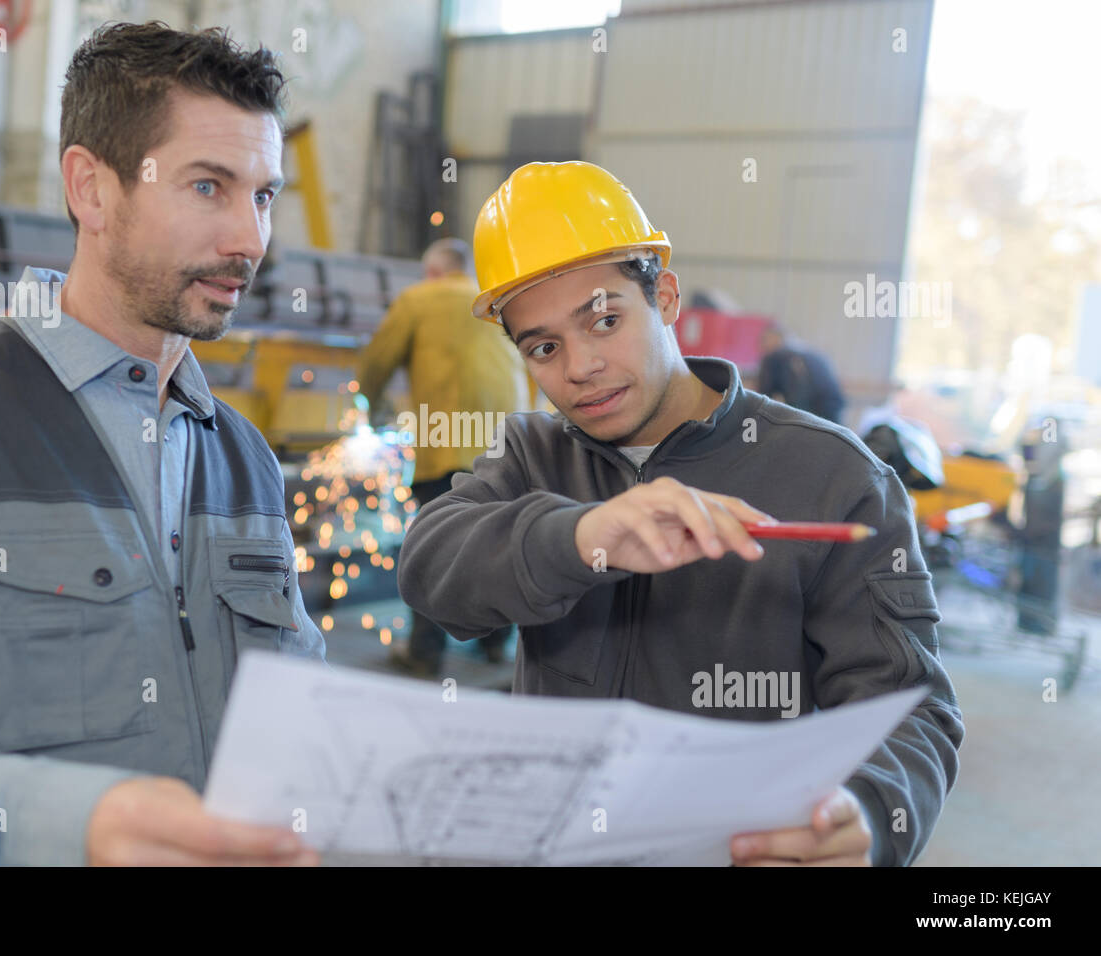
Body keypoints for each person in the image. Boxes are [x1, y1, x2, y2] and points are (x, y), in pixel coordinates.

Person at [0, 22, 324, 866]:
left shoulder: (246, 461)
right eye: (207, 187)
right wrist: (73, 826)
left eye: (263, 195)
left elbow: (303, 720)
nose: (250, 241)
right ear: (91, 189)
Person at [397, 161, 964, 866]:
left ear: (663, 295)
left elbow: (909, 707)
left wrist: (871, 813)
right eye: (544, 347)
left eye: (604, 320)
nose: (580, 367)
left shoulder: (833, 475)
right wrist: (577, 537)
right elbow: (429, 570)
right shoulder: (533, 456)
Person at [357, 238, 527, 676]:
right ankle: (495, 646)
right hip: (509, 443)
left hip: (447, 442)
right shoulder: (498, 303)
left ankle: (425, 654)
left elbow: (377, 361)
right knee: (495, 544)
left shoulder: (420, 298)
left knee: (435, 549)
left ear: (433, 272)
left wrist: (369, 405)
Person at [757, 323, 846, 424]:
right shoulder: (813, 353)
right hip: (834, 409)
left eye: (763, 341)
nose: (761, 347)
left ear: (773, 339)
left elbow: (762, 397)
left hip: (808, 411)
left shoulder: (775, 356)